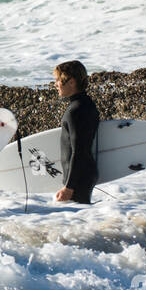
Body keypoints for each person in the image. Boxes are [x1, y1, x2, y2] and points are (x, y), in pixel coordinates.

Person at [53, 60, 100, 203]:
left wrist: (69, 187)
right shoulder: (85, 104)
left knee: (78, 220)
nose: (55, 84)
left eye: (58, 80)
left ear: (72, 82)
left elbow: (79, 151)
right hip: (81, 176)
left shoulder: (77, 110)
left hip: (78, 179)